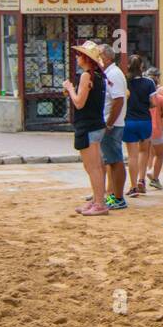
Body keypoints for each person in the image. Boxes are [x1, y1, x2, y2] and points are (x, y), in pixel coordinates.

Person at [64, 40, 108, 216]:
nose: (77, 58)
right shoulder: (98, 76)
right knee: (95, 165)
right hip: (96, 123)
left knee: (92, 167)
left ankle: (99, 203)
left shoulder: (86, 76)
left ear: (86, 58)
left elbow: (79, 103)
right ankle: (97, 200)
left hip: (88, 125)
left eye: (80, 55)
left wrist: (69, 89)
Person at [99, 45, 128, 210]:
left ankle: (118, 198)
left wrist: (109, 123)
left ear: (106, 57)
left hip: (112, 124)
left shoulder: (114, 74)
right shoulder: (109, 73)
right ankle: (113, 195)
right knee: (111, 160)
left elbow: (118, 100)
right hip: (110, 122)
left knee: (115, 160)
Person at [123, 55, 155, 197]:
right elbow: (153, 102)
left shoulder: (124, 82)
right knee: (144, 152)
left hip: (128, 120)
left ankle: (133, 185)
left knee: (132, 155)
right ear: (142, 67)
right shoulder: (149, 82)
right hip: (145, 120)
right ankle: (142, 180)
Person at [146, 67, 163, 190]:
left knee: (149, 152)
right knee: (160, 153)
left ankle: (148, 171)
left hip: (146, 126)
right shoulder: (161, 93)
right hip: (159, 126)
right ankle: (154, 176)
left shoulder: (144, 95)